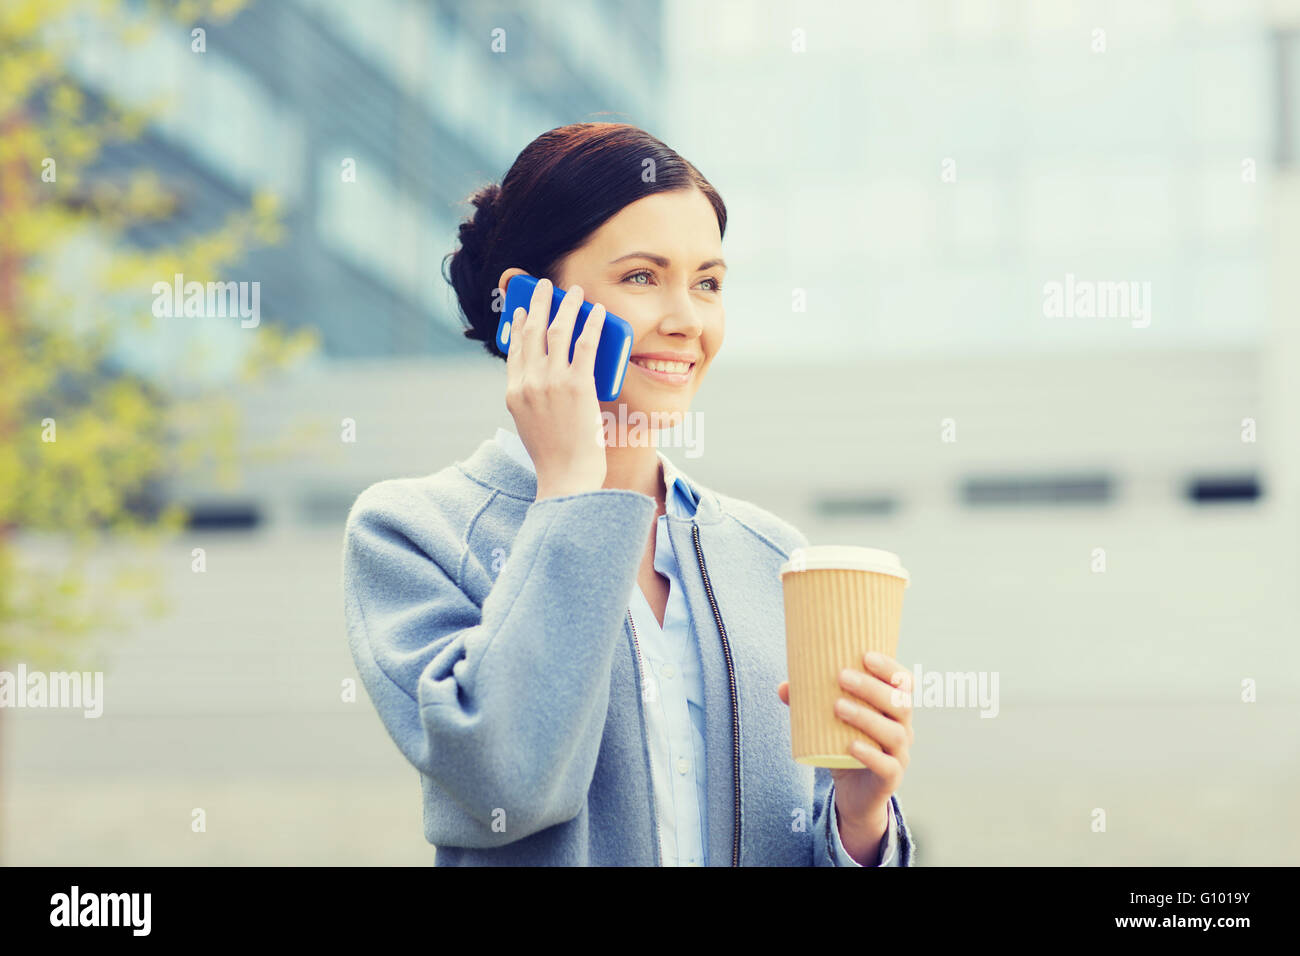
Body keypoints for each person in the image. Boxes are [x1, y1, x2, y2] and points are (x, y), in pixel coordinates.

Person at [342, 122, 917, 865]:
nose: (686, 322)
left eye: (708, 283)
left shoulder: (773, 555)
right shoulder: (413, 532)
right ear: (530, 304)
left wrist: (860, 818)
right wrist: (573, 492)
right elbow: (505, 785)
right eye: (643, 277)